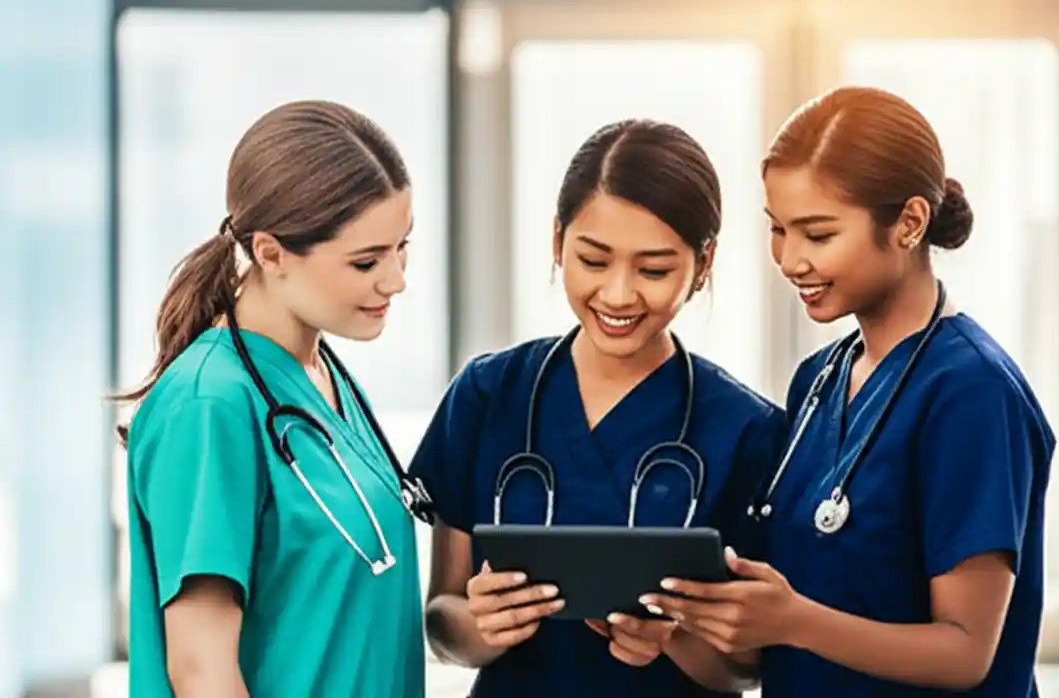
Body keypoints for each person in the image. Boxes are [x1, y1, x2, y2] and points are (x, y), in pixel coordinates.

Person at [641, 86, 1056, 697]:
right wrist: (676, 628)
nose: (789, 259)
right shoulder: (819, 380)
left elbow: (966, 651)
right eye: (778, 229)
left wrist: (794, 620)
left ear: (910, 223)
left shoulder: (972, 393)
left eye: (818, 233)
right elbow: (779, 644)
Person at [410, 118, 785, 697]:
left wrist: (674, 640)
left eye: (654, 270)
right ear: (557, 240)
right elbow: (441, 616)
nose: (617, 294)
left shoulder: (746, 429)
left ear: (703, 262)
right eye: (593, 259)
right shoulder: (489, 395)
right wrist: (481, 628)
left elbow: (748, 665)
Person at [117, 100, 427, 697]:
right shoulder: (210, 403)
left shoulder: (321, 375)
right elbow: (200, 670)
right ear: (270, 252)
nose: (396, 281)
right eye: (366, 261)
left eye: (401, 247)